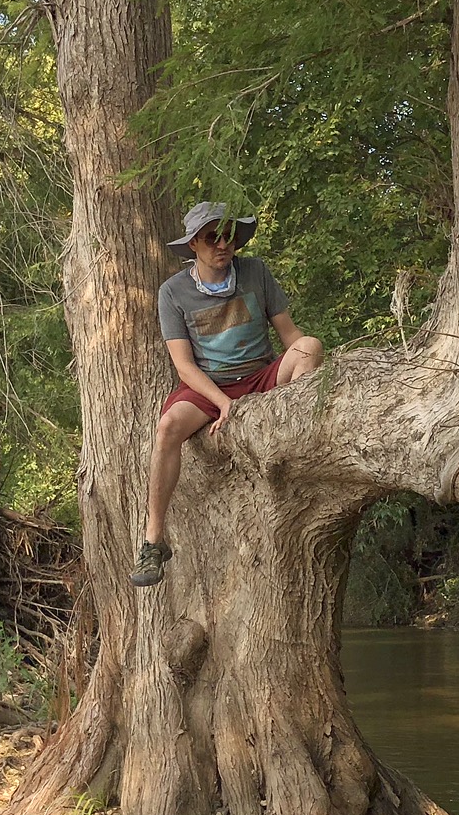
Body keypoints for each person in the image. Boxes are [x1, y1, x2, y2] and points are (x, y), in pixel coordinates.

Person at [131, 202, 324, 587]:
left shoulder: (255, 271)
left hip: (263, 374)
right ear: (193, 245)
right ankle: (153, 540)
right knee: (168, 427)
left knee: (311, 345)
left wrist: (310, 360)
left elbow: (289, 333)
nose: (222, 245)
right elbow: (184, 366)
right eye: (211, 238)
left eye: (229, 236)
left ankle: (296, 442)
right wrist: (223, 403)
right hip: (208, 385)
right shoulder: (173, 293)